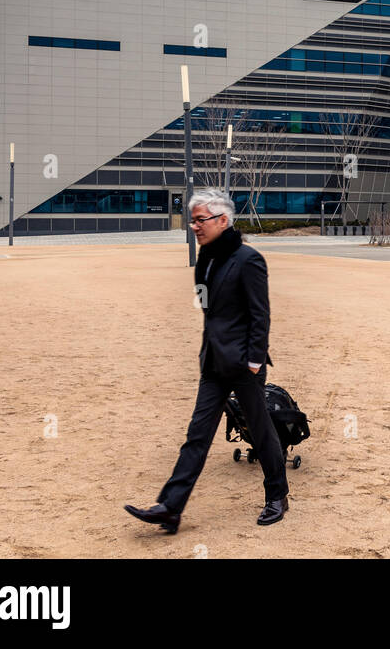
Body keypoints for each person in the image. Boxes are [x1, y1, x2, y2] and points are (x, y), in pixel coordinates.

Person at [124, 193, 289, 534]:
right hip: (213, 362)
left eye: (200, 220)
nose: (194, 226)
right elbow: (205, 306)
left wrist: (256, 362)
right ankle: (170, 508)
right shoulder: (205, 259)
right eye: (193, 220)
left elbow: (261, 315)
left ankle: (277, 496)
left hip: (245, 365)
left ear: (223, 221)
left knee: (261, 433)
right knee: (197, 435)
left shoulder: (249, 260)